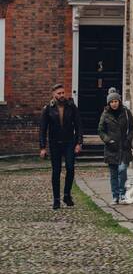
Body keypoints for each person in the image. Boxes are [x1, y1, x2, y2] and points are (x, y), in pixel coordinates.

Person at [39, 82, 83, 210]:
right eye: (59, 93)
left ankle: (67, 195)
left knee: (70, 168)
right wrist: (42, 147)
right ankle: (56, 199)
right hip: (55, 143)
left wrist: (79, 143)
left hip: (69, 142)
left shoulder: (71, 106)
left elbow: (79, 125)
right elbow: (42, 129)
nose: (62, 95)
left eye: (63, 92)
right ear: (54, 95)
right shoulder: (48, 109)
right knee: (56, 171)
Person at [97, 89, 133, 204]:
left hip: (124, 147)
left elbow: (132, 128)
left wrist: (128, 139)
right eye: (112, 101)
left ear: (119, 101)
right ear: (109, 103)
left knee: (122, 170)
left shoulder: (126, 113)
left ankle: (122, 193)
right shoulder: (105, 114)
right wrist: (108, 140)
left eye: (116, 101)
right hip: (111, 148)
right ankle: (115, 196)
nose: (114, 103)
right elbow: (100, 130)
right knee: (113, 174)